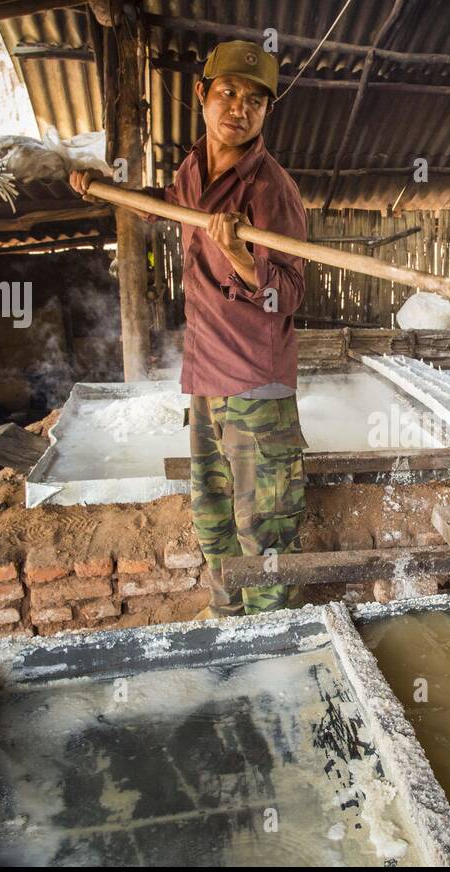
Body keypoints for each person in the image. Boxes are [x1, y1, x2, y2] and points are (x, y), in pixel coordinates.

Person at [71, 40, 308, 616]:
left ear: (266, 112)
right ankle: (229, 616)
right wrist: (109, 189)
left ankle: (275, 635)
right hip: (204, 377)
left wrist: (245, 259)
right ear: (202, 95)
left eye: (255, 100)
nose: (239, 108)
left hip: (255, 384)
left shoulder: (271, 189)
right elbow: (170, 206)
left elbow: (290, 293)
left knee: (266, 528)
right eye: (228, 92)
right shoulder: (193, 167)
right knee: (213, 514)